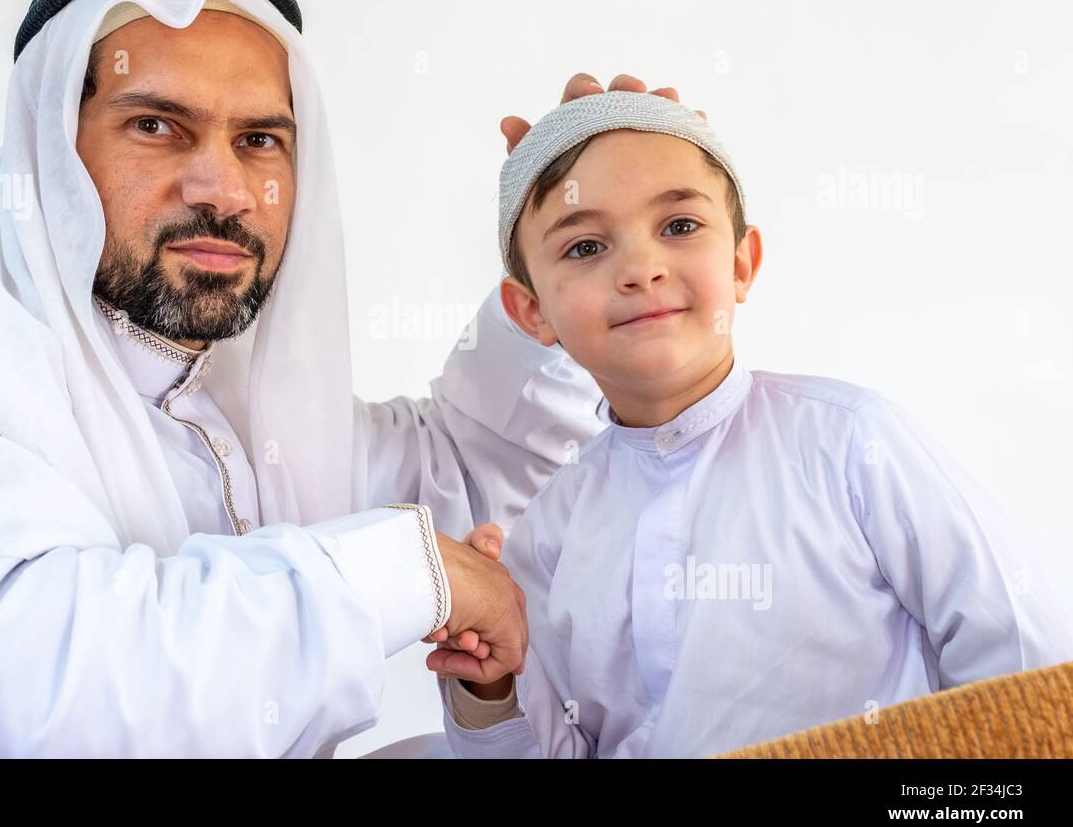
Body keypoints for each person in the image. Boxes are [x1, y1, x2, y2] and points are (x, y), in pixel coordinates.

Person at [0, 0, 698, 758]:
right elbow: (24, 694)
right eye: (155, 126)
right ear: (49, 149)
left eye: (259, 139)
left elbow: (469, 479)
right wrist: (400, 571)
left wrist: (569, 264)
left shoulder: (221, 399)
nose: (220, 186)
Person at [430, 89, 1073, 757]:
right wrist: (492, 686)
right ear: (530, 311)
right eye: (586, 245)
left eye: (678, 226)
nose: (641, 269)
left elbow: (1024, 661)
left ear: (741, 262)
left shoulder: (853, 445)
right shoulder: (548, 538)